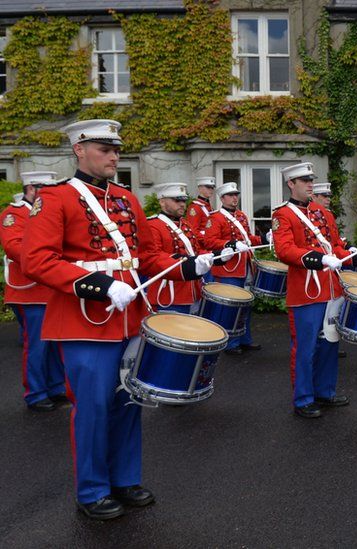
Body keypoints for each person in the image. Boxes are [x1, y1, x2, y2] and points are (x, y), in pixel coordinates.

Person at [20, 119, 213, 520]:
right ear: (79, 149)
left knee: (128, 401)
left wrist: (188, 266)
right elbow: (36, 260)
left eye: (116, 149)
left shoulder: (126, 199)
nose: (114, 155)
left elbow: (145, 257)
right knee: (92, 407)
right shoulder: (56, 199)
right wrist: (98, 284)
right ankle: (92, 489)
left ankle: (124, 479)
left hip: (129, 318)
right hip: (84, 321)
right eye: (104, 149)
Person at [272, 162, 357, 418]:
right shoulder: (282, 214)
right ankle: (303, 398)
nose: (310, 184)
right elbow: (284, 250)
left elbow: (335, 247)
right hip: (306, 292)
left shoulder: (323, 214)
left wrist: (355, 256)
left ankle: (325, 391)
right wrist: (317, 258)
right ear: (291, 184)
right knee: (305, 348)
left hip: (331, 289)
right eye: (304, 181)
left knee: (329, 342)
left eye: (311, 180)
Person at [0, 171, 67, 412]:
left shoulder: (52, 210)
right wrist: (47, 261)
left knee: (56, 341)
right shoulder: (14, 214)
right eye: (44, 189)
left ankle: (56, 387)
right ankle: (36, 393)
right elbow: (13, 247)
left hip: (54, 288)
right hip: (30, 291)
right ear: (31, 189)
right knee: (37, 344)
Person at [203, 182, 265, 355]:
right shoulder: (215, 218)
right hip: (228, 268)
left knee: (246, 305)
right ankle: (230, 343)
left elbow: (247, 238)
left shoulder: (242, 216)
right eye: (230, 195)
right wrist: (230, 243)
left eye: (236, 194)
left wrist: (262, 239)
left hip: (245, 266)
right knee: (231, 307)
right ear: (222, 198)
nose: (234, 198)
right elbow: (208, 241)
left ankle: (245, 339)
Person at [145, 183, 205, 314]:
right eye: (177, 200)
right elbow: (153, 258)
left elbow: (196, 250)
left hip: (193, 290)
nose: (182, 204)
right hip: (169, 294)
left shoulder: (185, 224)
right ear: (162, 202)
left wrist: (217, 255)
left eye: (184, 200)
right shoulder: (153, 225)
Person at [186, 176, 216, 282]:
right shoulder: (195, 207)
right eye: (208, 187)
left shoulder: (208, 206)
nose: (211, 190)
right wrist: (208, 240)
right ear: (200, 188)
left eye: (212, 187)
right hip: (202, 249)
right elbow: (192, 230)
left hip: (210, 248)